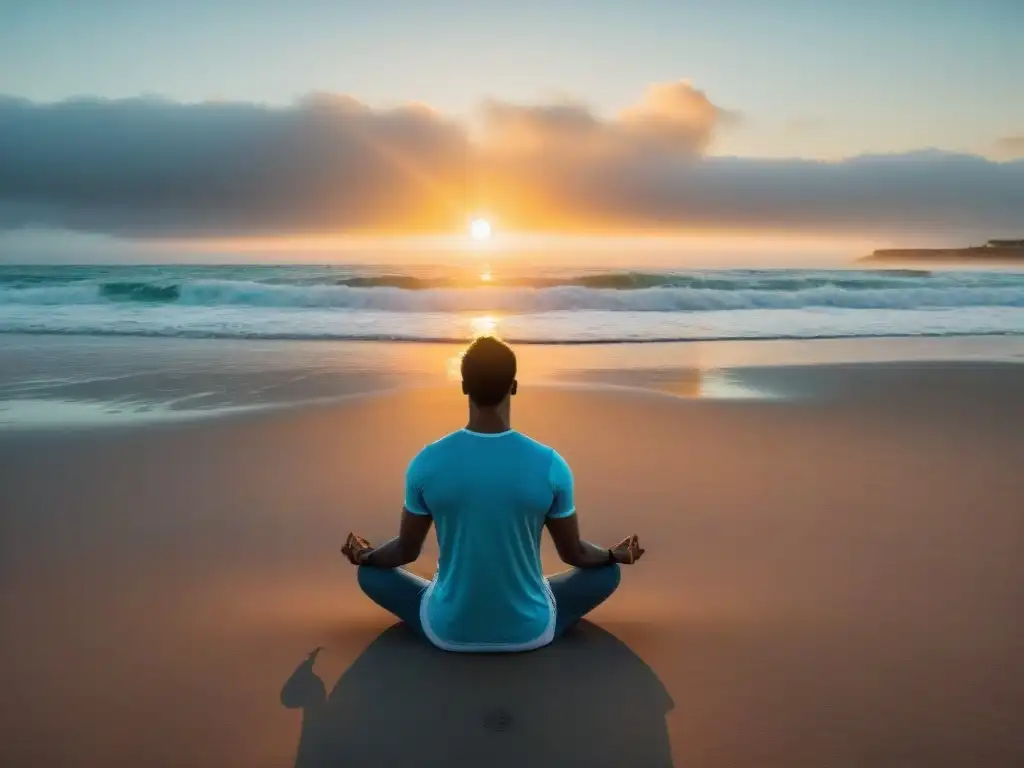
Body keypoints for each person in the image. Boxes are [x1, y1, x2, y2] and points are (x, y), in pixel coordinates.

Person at [340, 335, 645, 652]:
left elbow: (405, 551)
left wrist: (366, 556)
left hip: (446, 632)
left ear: (464, 387)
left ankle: (453, 603)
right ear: (514, 386)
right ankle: (525, 605)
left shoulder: (427, 462)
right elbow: (575, 554)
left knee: (370, 575)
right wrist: (613, 554)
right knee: (607, 574)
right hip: (531, 633)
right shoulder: (550, 464)